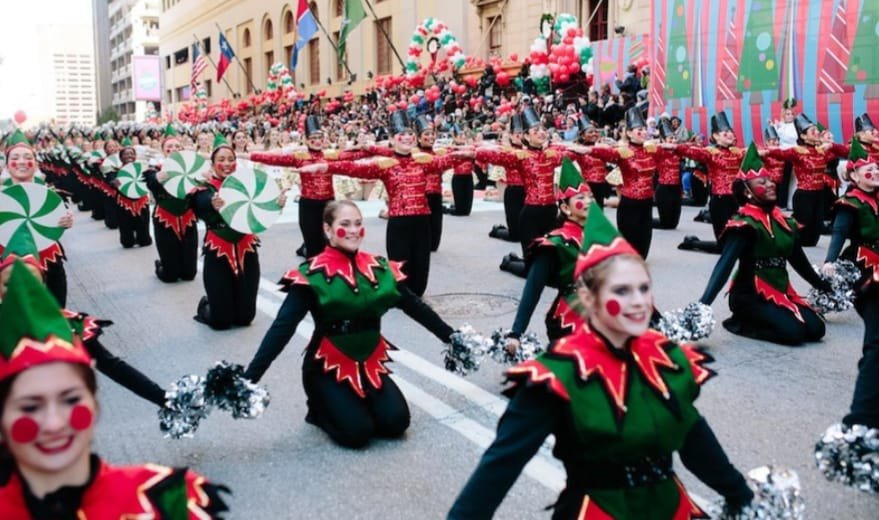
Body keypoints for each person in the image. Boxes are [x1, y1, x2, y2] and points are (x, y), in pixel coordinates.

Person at [449, 202, 754, 519]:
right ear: (587, 298)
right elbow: (500, 467)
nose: (638, 302)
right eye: (621, 290)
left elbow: (695, 443)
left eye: (643, 288)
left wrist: (745, 498)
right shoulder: (557, 376)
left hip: (669, 507)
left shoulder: (666, 358)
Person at [0, 262, 229, 518]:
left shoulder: (161, 502)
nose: (53, 423)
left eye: (70, 400)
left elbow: (114, 368)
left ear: (94, 404)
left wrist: (166, 400)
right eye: (30, 406)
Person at [241, 201, 459, 448]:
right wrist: (249, 379)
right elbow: (282, 329)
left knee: (396, 423)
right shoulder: (311, 274)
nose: (354, 230)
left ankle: (355, 402)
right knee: (357, 433)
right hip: (326, 366)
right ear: (328, 229)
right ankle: (319, 409)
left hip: (370, 364)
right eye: (345, 224)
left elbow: (416, 308)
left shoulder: (379, 268)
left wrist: (453, 339)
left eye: (358, 224)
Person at [0, 229, 165, 408]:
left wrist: (164, 399)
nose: (20, 290)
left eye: (30, 281)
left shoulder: (68, 326)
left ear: (42, 284)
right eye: (9, 283)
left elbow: (113, 367)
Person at [698, 144, 829, 346]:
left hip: (781, 290)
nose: (770, 184)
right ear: (748, 192)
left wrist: (824, 286)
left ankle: (780, 316)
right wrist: (702, 305)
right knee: (793, 333)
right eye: (762, 182)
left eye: (770, 180)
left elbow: (799, 261)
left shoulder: (784, 221)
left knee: (816, 330)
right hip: (749, 295)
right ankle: (741, 322)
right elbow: (723, 267)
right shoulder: (744, 225)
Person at [191, 135, 281, 330]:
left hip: (246, 248)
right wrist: (211, 204)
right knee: (221, 322)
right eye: (221, 160)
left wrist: (277, 204)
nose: (227, 164)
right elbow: (200, 204)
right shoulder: (204, 187)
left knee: (245, 318)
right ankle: (205, 306)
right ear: (213, 164)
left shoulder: (247, 183)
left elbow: (262, 209)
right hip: (218, 249)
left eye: (231, 159)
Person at [822, 139, 879, 429]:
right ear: (854, 176)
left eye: (876, 166)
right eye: (868, 168)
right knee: (876, 339)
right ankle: (861, 421)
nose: (875, 171)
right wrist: (830, 261)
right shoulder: (850, 202)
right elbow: (840, 232)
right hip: (863, 271)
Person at [505, 159, 591, 347]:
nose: (588, 202)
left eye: (589, 197)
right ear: (566, 208)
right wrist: (516, 333)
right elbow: (533, 289)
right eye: (580, 199)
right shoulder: (555, 243)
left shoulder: (601, 238)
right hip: (570, 320)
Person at [1, 129, 74, 307]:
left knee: (55, 310)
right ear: (7, 165)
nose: (21, 162)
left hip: (48, 256)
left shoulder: (49, 194)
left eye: (27, 157)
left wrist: (67, 220)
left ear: (35, 163)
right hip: (6, 259)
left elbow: (60, 214)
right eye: (15, 158)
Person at [765, 114, 848, 247]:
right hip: (804, 195)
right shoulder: (798, 151)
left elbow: (845, 152)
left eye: (817, 130)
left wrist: (831, 145)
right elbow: (779, 153)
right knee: (803, 233)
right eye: (813, 131)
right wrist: (762, 151)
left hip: (819, 194)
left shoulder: (821, 151)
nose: (817, 133)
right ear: (803, 136)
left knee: (815, 233)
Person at [590, 106, 659, 258]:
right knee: (630, 250)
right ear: (628, 133)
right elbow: (601, 151)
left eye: (643, 128)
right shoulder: (623, 150)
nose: (642, 132)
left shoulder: (651, 149)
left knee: (643, 251)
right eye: (637, 129)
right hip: (630, 203)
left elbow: (674, 148)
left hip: (647, 202)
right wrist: (586, 148)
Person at [672, 111, 745, 253]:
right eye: (725, 133)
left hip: (735, 200)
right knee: (723, 247)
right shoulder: (710, 153)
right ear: (715, 136)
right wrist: (674, 146)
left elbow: (755, 152)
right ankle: (693, 243)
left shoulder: (736, 152)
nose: (730, 134)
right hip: (719, 200)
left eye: (730, 132)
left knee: (736, 242)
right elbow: (690, 151)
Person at [145, 124, 199, 283]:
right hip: (165, 218)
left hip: (187, 217)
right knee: (170, 276)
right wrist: (159, 176)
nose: (173, 148)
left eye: (177, 146)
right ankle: (161, 266)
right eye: (169, 146)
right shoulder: (155, 168)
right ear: (163, 150)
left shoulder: (192, 168)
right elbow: (150, 182)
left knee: (189, 275)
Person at [487, 114, 526, 242]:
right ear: (511, 135)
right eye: (516, 134)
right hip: (514, 191)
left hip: (530, 192)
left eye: (522, 133)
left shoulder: (532, 150)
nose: (520, 136)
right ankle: (498, 231)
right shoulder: (506, 151)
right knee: (515, 236)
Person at [114, 140, 152, 249]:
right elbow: (111, 180)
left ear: (135, 156)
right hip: (124, 202)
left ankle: (143, 238)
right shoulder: (116, 170)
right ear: (121, 157)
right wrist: (114, 182)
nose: (129, 156)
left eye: (131, 153)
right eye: (126, 154)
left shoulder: (142, 168)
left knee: (143, 223)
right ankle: (127, 240)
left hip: (141, 200)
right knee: (125, 225)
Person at [652, 118, 683, 229]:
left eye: (674, 138)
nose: (673, 140)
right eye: (670, 138)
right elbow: (647, 147)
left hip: (676, 187)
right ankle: (644, 221)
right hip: (664, 187)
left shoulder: (678, 151)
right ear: (663, 139)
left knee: (673, 224)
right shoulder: (659, 151)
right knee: (666, 224)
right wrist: (661, 144)